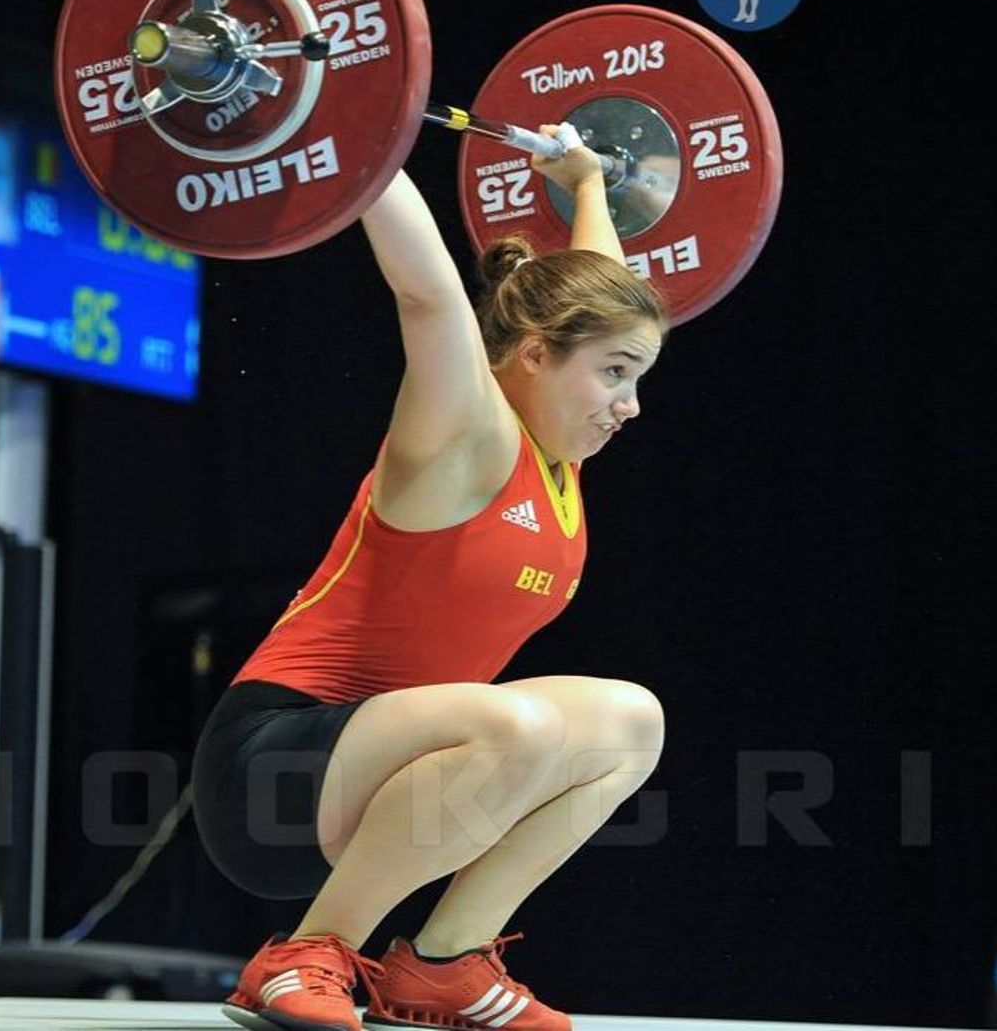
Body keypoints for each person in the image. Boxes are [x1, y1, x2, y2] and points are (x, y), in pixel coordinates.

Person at [192, 127, 668, 1031]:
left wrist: (586, 185)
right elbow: (428, 294)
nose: (630, 404)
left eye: (637, 376)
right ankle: (304, 952)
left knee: (630, 722)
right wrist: (358, 133)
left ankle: (444, 964)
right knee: (520, 723)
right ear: (534, 354)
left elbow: (599, 294)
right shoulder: (466, 437)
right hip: (269, 772)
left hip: (381, 787)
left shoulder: (558, 462)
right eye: (615, 374)